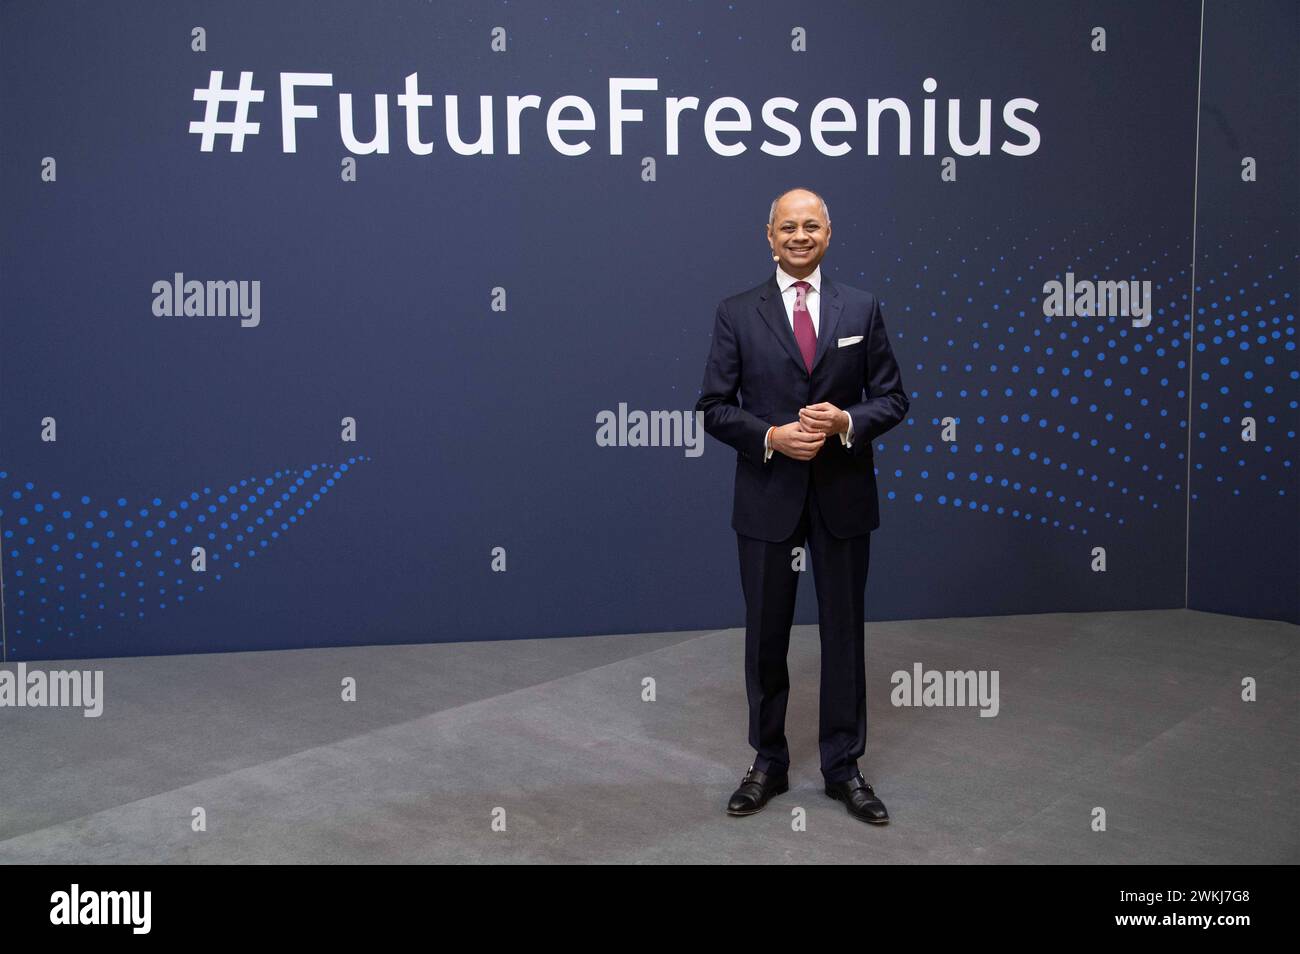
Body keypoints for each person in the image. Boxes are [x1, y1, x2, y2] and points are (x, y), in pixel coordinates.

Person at [695, 187, 909, 824]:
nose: (798, 235)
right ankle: (769, 763)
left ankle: (844, 767)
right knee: (767, 636)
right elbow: (713, 407)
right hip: (768, 498)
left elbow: (894, 399)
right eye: (787, 226)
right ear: (769, 235)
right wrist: (770, 436)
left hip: (843, 498)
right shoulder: (736, 313)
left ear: (828, 233)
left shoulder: (862, 309)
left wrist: (847, 419)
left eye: (810, 225)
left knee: (844, 634)